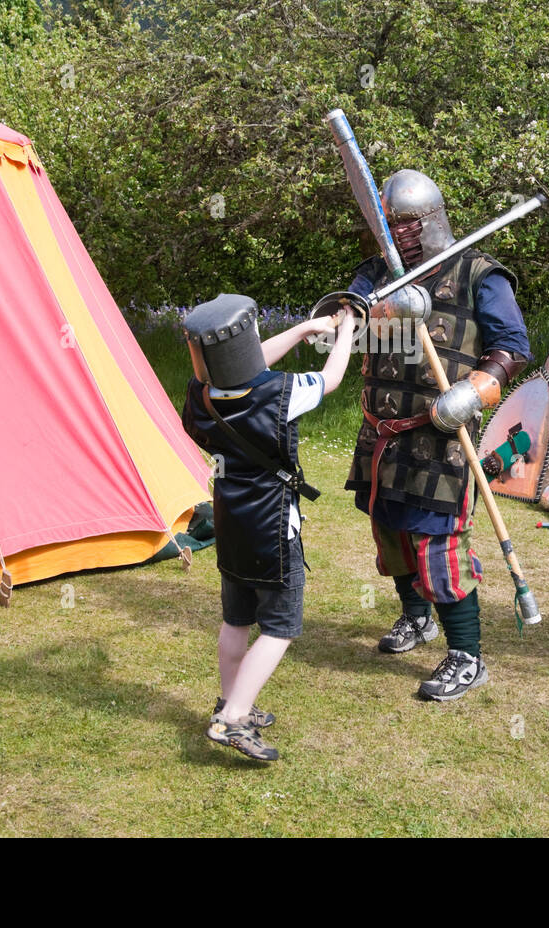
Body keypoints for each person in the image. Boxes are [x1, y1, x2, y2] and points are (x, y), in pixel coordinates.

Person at [345, 170, 531, 701]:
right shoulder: (378, 272)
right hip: (383, 430)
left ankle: (467, 656)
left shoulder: (478, 272)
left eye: (406, 222)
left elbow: (513, 345)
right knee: (393, 534)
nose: (397, 233)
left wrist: (475, 391)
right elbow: (346, 317)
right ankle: (415, 617)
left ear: (430, 219)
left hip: (441, 434)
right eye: (389, 222)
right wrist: (384, 307)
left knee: (438, 547)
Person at [181, 294, 356, 761]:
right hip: (272, 528)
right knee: (280, 628)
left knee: (236, 619)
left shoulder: (200, 398)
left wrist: (302, 330)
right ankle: (233, 717)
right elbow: (333, 377)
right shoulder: (278, 392)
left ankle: (228, 697)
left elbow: (239, 368)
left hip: (229, 524)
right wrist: (346, 331)